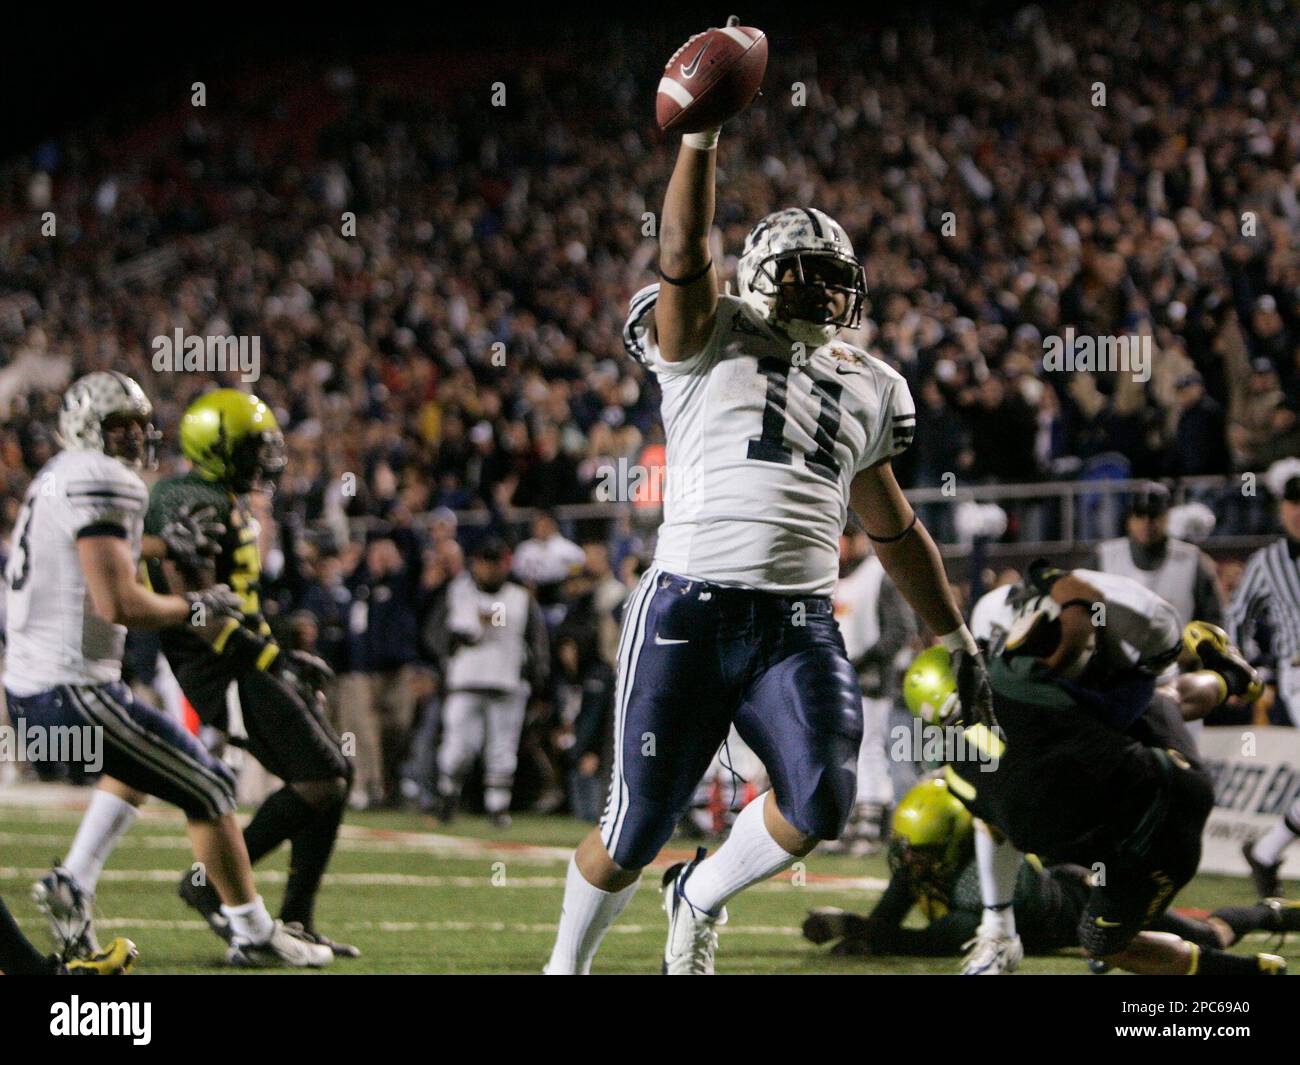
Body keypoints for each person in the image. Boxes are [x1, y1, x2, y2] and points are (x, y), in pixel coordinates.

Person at [544, 50, 993, 975]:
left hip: (796, 622)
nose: (820, 290)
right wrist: (700, 139)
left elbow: (893, 526)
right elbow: (680, 253)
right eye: (800, 273)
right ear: (758, 277)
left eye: (832, 274)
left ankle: (698, 894)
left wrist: (952, 633)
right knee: (632, 824)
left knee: (822, 800)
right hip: (688, 610)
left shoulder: (870, 384)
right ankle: (565, 969)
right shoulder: (706, 337)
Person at [7, 372, 331, 968]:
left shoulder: (61, 474)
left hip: (38, 692)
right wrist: (196, 604)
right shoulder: (102, 479)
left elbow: (99, 553)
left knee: (143, 765)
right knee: (209, 785)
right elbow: (121, 604)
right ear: (87, 427)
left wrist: (160, 547)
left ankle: (71, 882)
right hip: (71, 689)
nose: (133, 437)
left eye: (138, 423)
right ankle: (255, 933)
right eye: (117, 426)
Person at [923, 568, 1280, 976]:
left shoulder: (993, 731)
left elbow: (1079, 616)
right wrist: (1051, 578)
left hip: (1157, 817)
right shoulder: (1024, 688)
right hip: (1145, 790)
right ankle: (1228, 675)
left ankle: (1225, 675)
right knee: (1160, 701)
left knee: (1106, 943)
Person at [802, 777, 1300, 960]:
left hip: (1085, 903)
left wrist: (863, 931)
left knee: (1207, 937)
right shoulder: (928, 859)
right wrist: (864, 930)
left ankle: (1272, 915)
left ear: (954, 844)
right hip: (1066, 890)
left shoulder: (988, 877)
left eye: (924, 852)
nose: (911, 863)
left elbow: (944, 937)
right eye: (908, 850)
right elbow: (892, 911)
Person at [435, 538, 549, 827]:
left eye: (495, 561)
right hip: (465, 679)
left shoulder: (520, 598)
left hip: (506, 681)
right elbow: (435, 636)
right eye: (485, 561)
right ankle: (448, 795)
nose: (489, 568)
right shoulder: (459, 592)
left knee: (502, 750)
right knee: (458, 747)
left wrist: (537, 679)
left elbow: (537, 643)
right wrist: (458, 639)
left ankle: (498, 807)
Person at [1228, 465, 1300, 894]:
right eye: (1293, 502)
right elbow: (1237, 617)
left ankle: (1266, 851)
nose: (1299, 511)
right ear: (1281, 508)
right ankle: (1266, 851)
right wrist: (1242, 671)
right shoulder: (1267, 561)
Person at [1094, 483, 1224, 629]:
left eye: (1154, 515)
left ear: (1167, 518)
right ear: (1129, 520)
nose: (1147, 523)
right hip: (1118, 651)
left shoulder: (1192, 559)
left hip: (1179, 650)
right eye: (1140, 515)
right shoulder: (1104, 556)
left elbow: (1213, 617)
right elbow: (1087, 610)